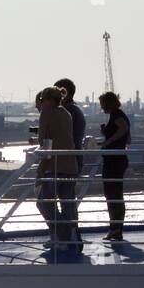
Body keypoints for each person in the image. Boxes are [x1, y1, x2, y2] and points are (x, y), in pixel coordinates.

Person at [35, 86, 80, 255]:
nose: (40, 104)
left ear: (49, 100)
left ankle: (64, 235)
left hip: (55, 165)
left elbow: (45, 140)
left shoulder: (47, 114)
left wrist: (42, 166)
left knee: (44, 202)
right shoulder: (66, 113)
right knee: (66, 205)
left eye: (42, 100)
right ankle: (67, 237)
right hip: (71, 165)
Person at [55, 78, 87, 246]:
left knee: (65, 198)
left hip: (67, 160)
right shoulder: (76, 110)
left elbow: (62, 134)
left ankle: (69, 235)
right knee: (68, 198)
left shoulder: (67, 111)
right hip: (75, 159)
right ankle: (72, 233)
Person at [97, 91, 131, 240]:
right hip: (117, 159)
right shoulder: (118, 115)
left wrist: (108, 141)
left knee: (112, 194)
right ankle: (116, 228)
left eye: (102, 104)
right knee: (115, 194)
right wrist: (107, 133)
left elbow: (123, 129)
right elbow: (127, 138)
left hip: (114, 161)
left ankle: (115, 228)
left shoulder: (117, 115)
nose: (101, 107)